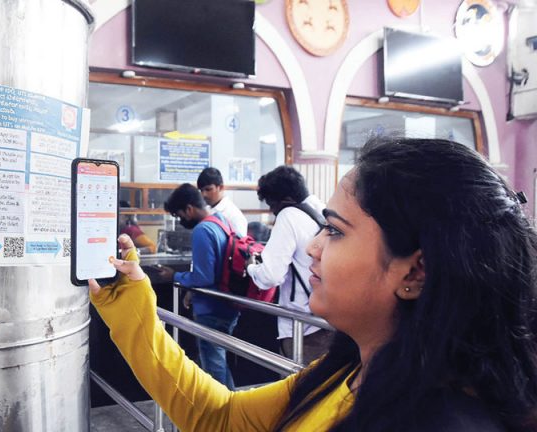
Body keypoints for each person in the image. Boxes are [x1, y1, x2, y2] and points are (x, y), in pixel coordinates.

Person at [89, 137, 537, 431]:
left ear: (415, 272)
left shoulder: (442, 421)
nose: (313, 248)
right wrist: (133, 304)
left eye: (336, 231)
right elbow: (219, 415)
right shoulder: (345, 373)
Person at [157, 183, 241, 389]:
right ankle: (230, 405)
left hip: (211, 307)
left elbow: (203, 277)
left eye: (180, 215)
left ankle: (222, 412)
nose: (181, 221)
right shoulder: (221, 221)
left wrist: (174, 275)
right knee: (218, 359)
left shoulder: (202, 230)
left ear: (189, 209)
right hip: (227, 303)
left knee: (213, 363)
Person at [247, 166, 331, 364]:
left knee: (299, 386)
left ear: (285, 201)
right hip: (329, 319)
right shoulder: (321, 208)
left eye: (271, 204)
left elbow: (270, 277)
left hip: (302, 327)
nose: (272, 211)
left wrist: (251, 267)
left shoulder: (288, 216)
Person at [197, 167, 248, 238]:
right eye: (201, 190)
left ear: (221, 187)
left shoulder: (234, 216)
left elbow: (239, 247)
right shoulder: (207, 210)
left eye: (208, 189)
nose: (204, 194)